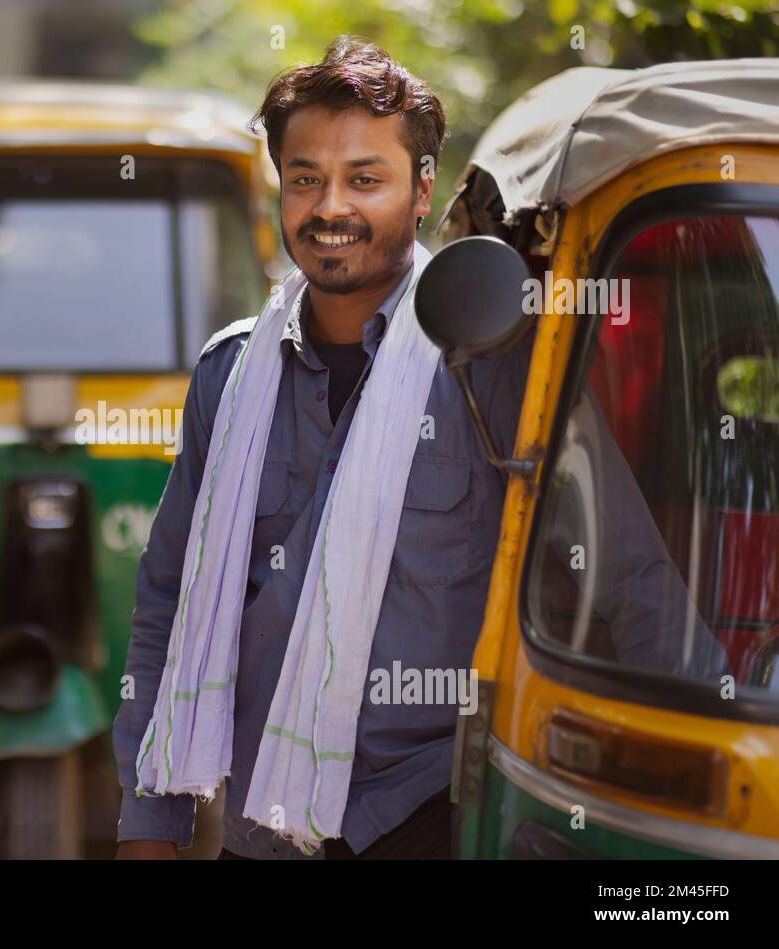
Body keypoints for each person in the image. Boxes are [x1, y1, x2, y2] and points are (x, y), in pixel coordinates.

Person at [112, 37, 727, 861]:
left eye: (365, 178)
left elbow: (629, 576)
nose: (331, 207)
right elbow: (167, 600)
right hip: (260, 823)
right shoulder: (229, 375)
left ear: (422, 186)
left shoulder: (496, 366)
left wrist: (710, 794)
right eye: (306, 178)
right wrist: (149, 823)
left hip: (433, 814)